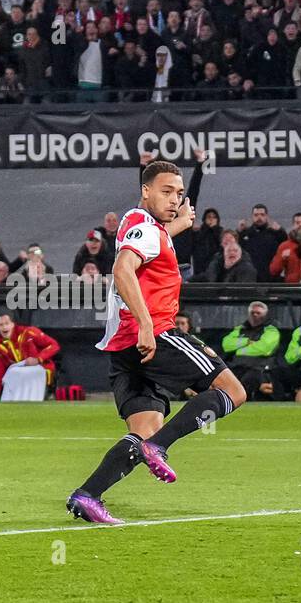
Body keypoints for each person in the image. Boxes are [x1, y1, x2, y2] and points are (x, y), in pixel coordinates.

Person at [68, 160, 248, 525]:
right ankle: (160, 446)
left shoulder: (137, 224)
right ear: (145, 190)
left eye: (179, 193)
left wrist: (179, 224)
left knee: (143, 428)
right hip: (155, 335)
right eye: (166, 191)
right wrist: (148, 326)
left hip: (123, 349)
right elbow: (122, 270)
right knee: (233, 391)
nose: (174, 199)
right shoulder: (147, 230)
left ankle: (87, 496)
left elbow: (153, 238)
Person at [0, 313, 61, 401]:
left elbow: (54, 345)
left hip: (41, 371)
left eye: (7, 323)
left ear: (13, 324)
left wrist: (38, 359)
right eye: (1, 325)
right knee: (13, 374)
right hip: (20, 379)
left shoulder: (29, 332)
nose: (4, 327)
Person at [221, 301, 283, 400]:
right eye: (252, 312)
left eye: (258, 313)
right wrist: (247, 341)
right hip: (237, 366)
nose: (255, 315)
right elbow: (226, 344)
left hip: (258, 368)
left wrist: (239, 350)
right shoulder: (240, 329)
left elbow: (264, 348)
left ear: (265, 315)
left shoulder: (271, 330)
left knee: (250, 378)